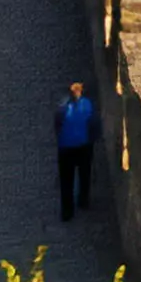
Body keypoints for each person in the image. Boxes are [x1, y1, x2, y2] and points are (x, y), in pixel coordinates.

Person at [55, 80, 98, 222]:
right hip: (84, 146)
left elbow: (57, 125)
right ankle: (83, 201)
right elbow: (94, 125)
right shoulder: (88, 105)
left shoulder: (62, 108)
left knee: (66, 179)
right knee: (84, 174)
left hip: (66, 147)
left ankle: (67, 211)